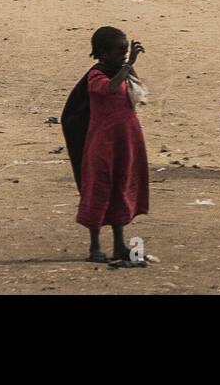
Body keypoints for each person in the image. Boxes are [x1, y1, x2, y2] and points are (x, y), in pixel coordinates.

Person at [61, 26, 149, 264]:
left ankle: (119, 245)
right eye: (119, 51)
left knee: (121, 187)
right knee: (98, 189)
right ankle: (95, 247)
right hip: (102, 144)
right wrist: (129, 64)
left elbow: (136, 95)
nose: (123, 55)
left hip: (125, 141)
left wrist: (127, 67)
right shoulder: (96, 75)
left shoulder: (121, 71)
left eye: (125, 50)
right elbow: (108, 90)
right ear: (102, 52)